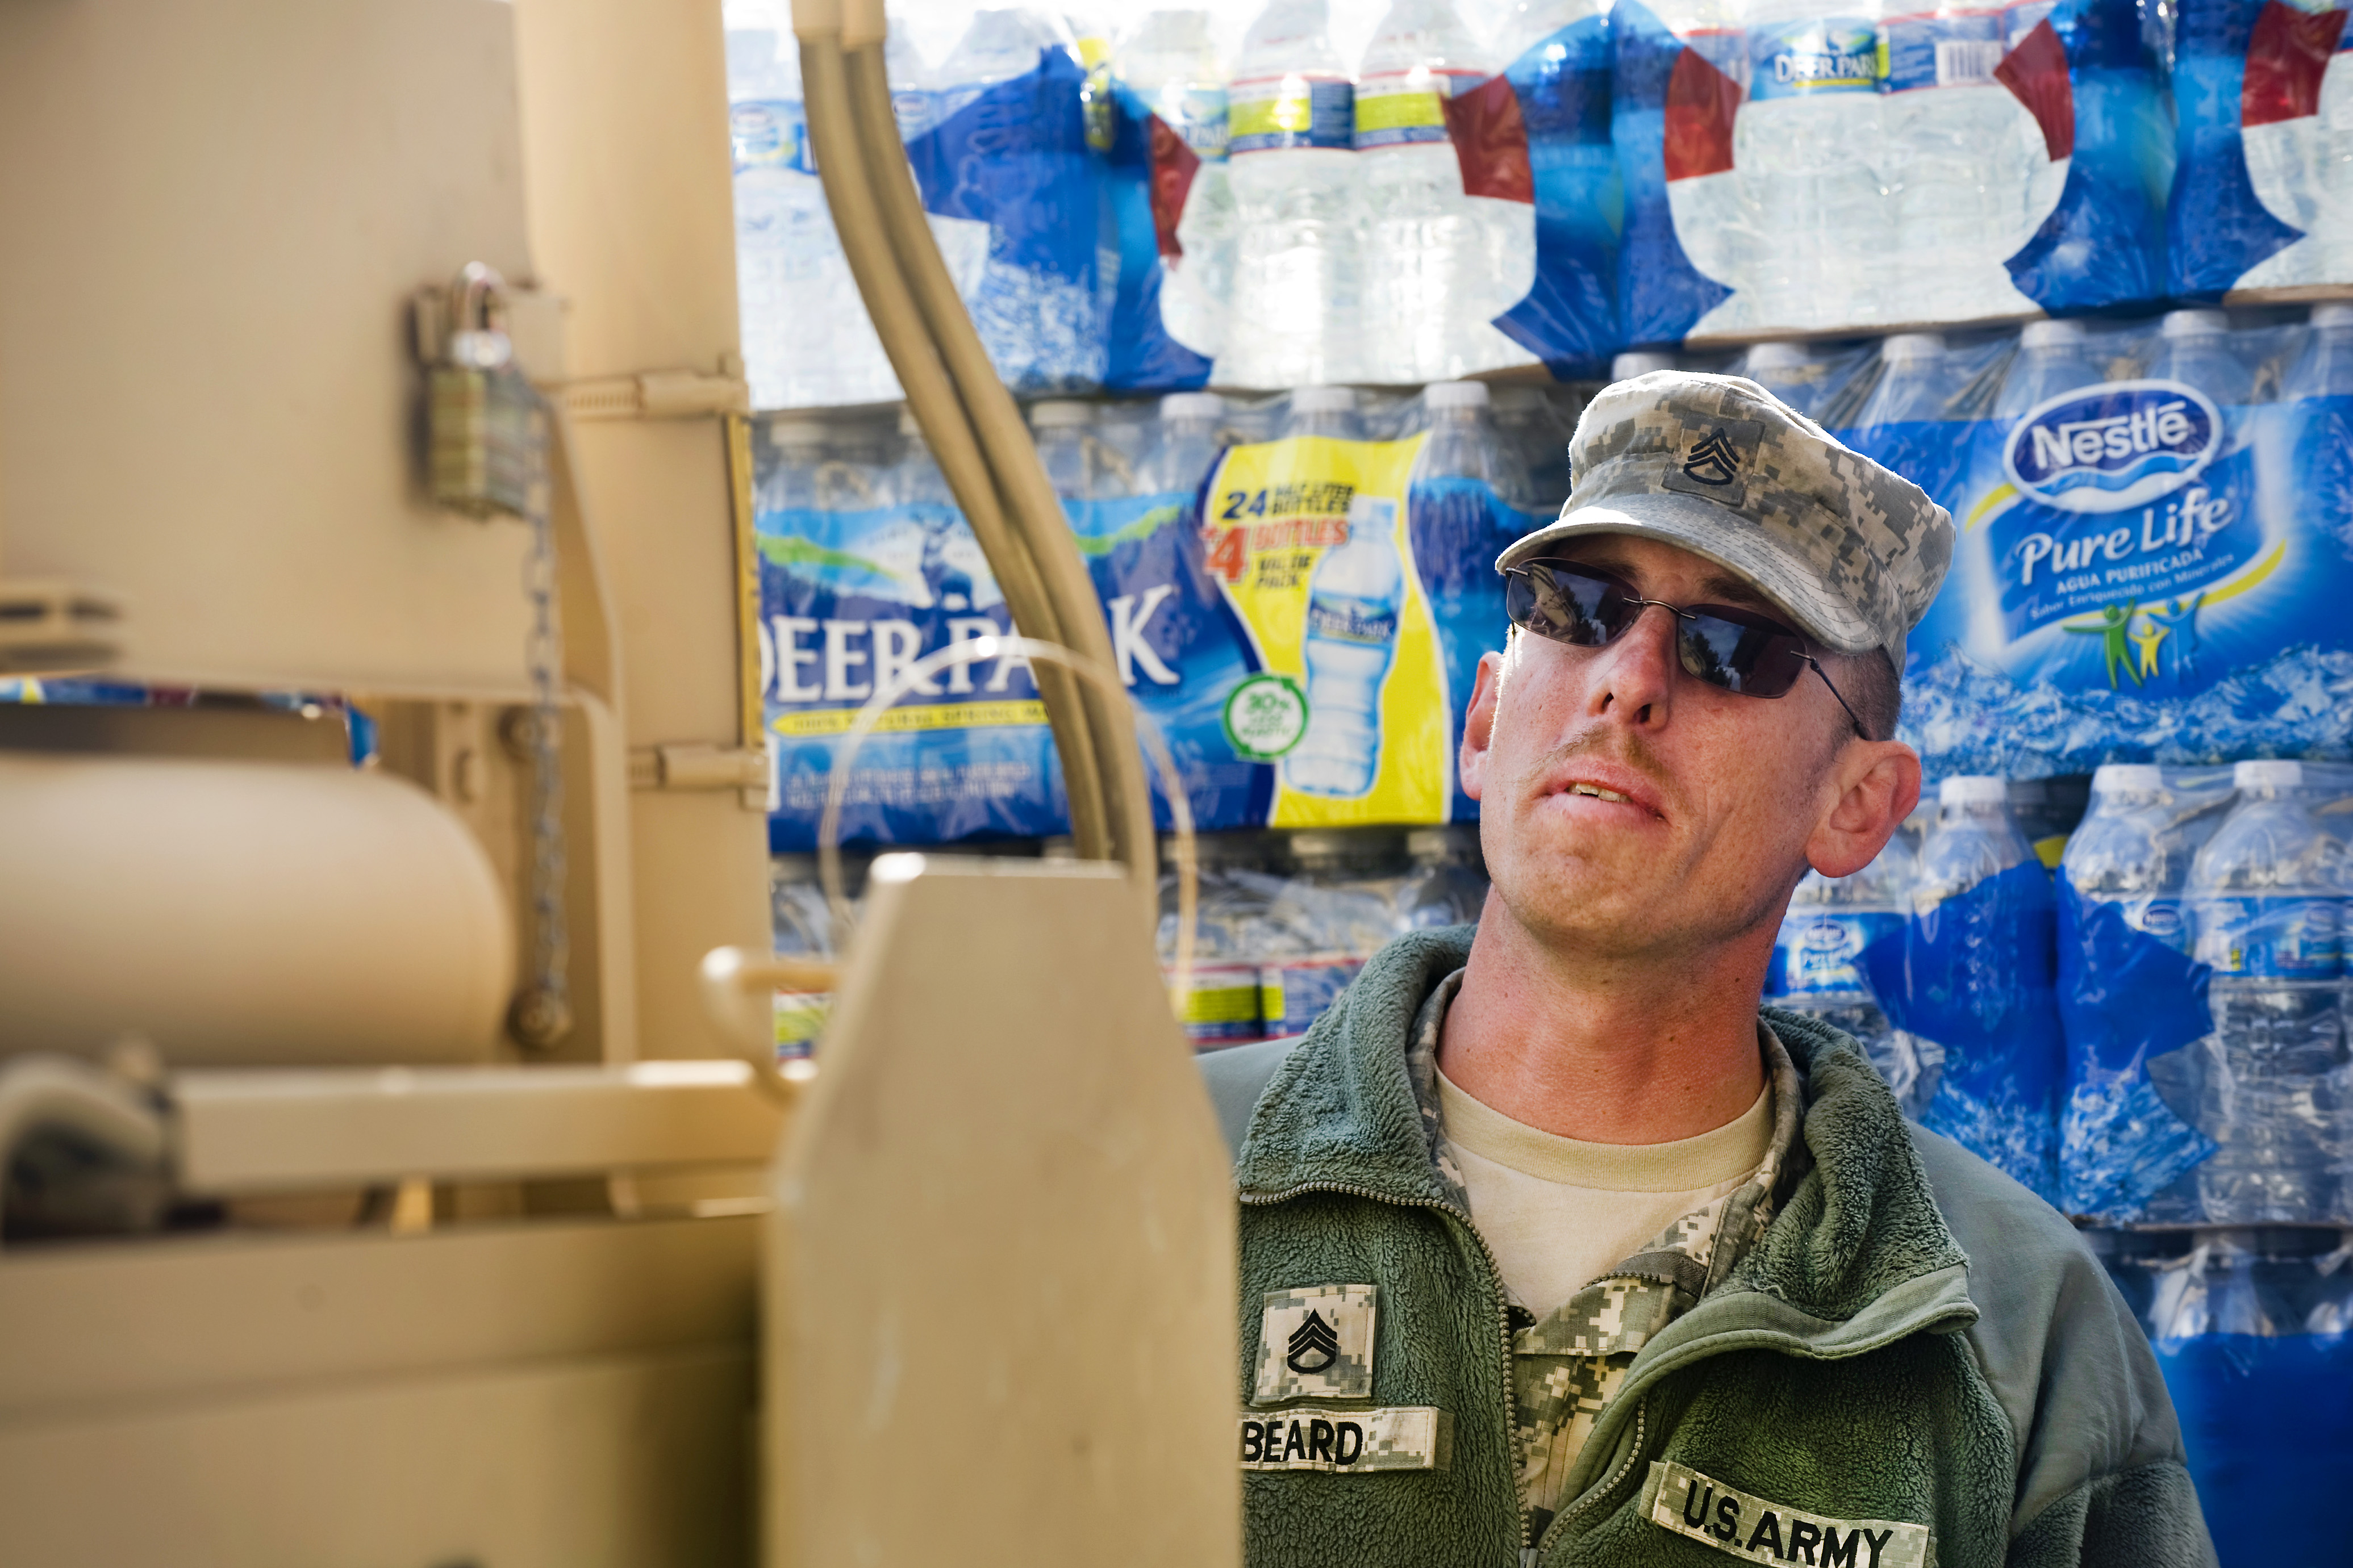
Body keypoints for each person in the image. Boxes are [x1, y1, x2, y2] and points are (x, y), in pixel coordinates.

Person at [1203, 373, 2213, 1568]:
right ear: (1483, 723)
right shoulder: (1152, 1172)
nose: (1628, 680)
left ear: (1856, 806)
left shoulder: (2008, 1323)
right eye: (1577, 605)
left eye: (1733, 647)